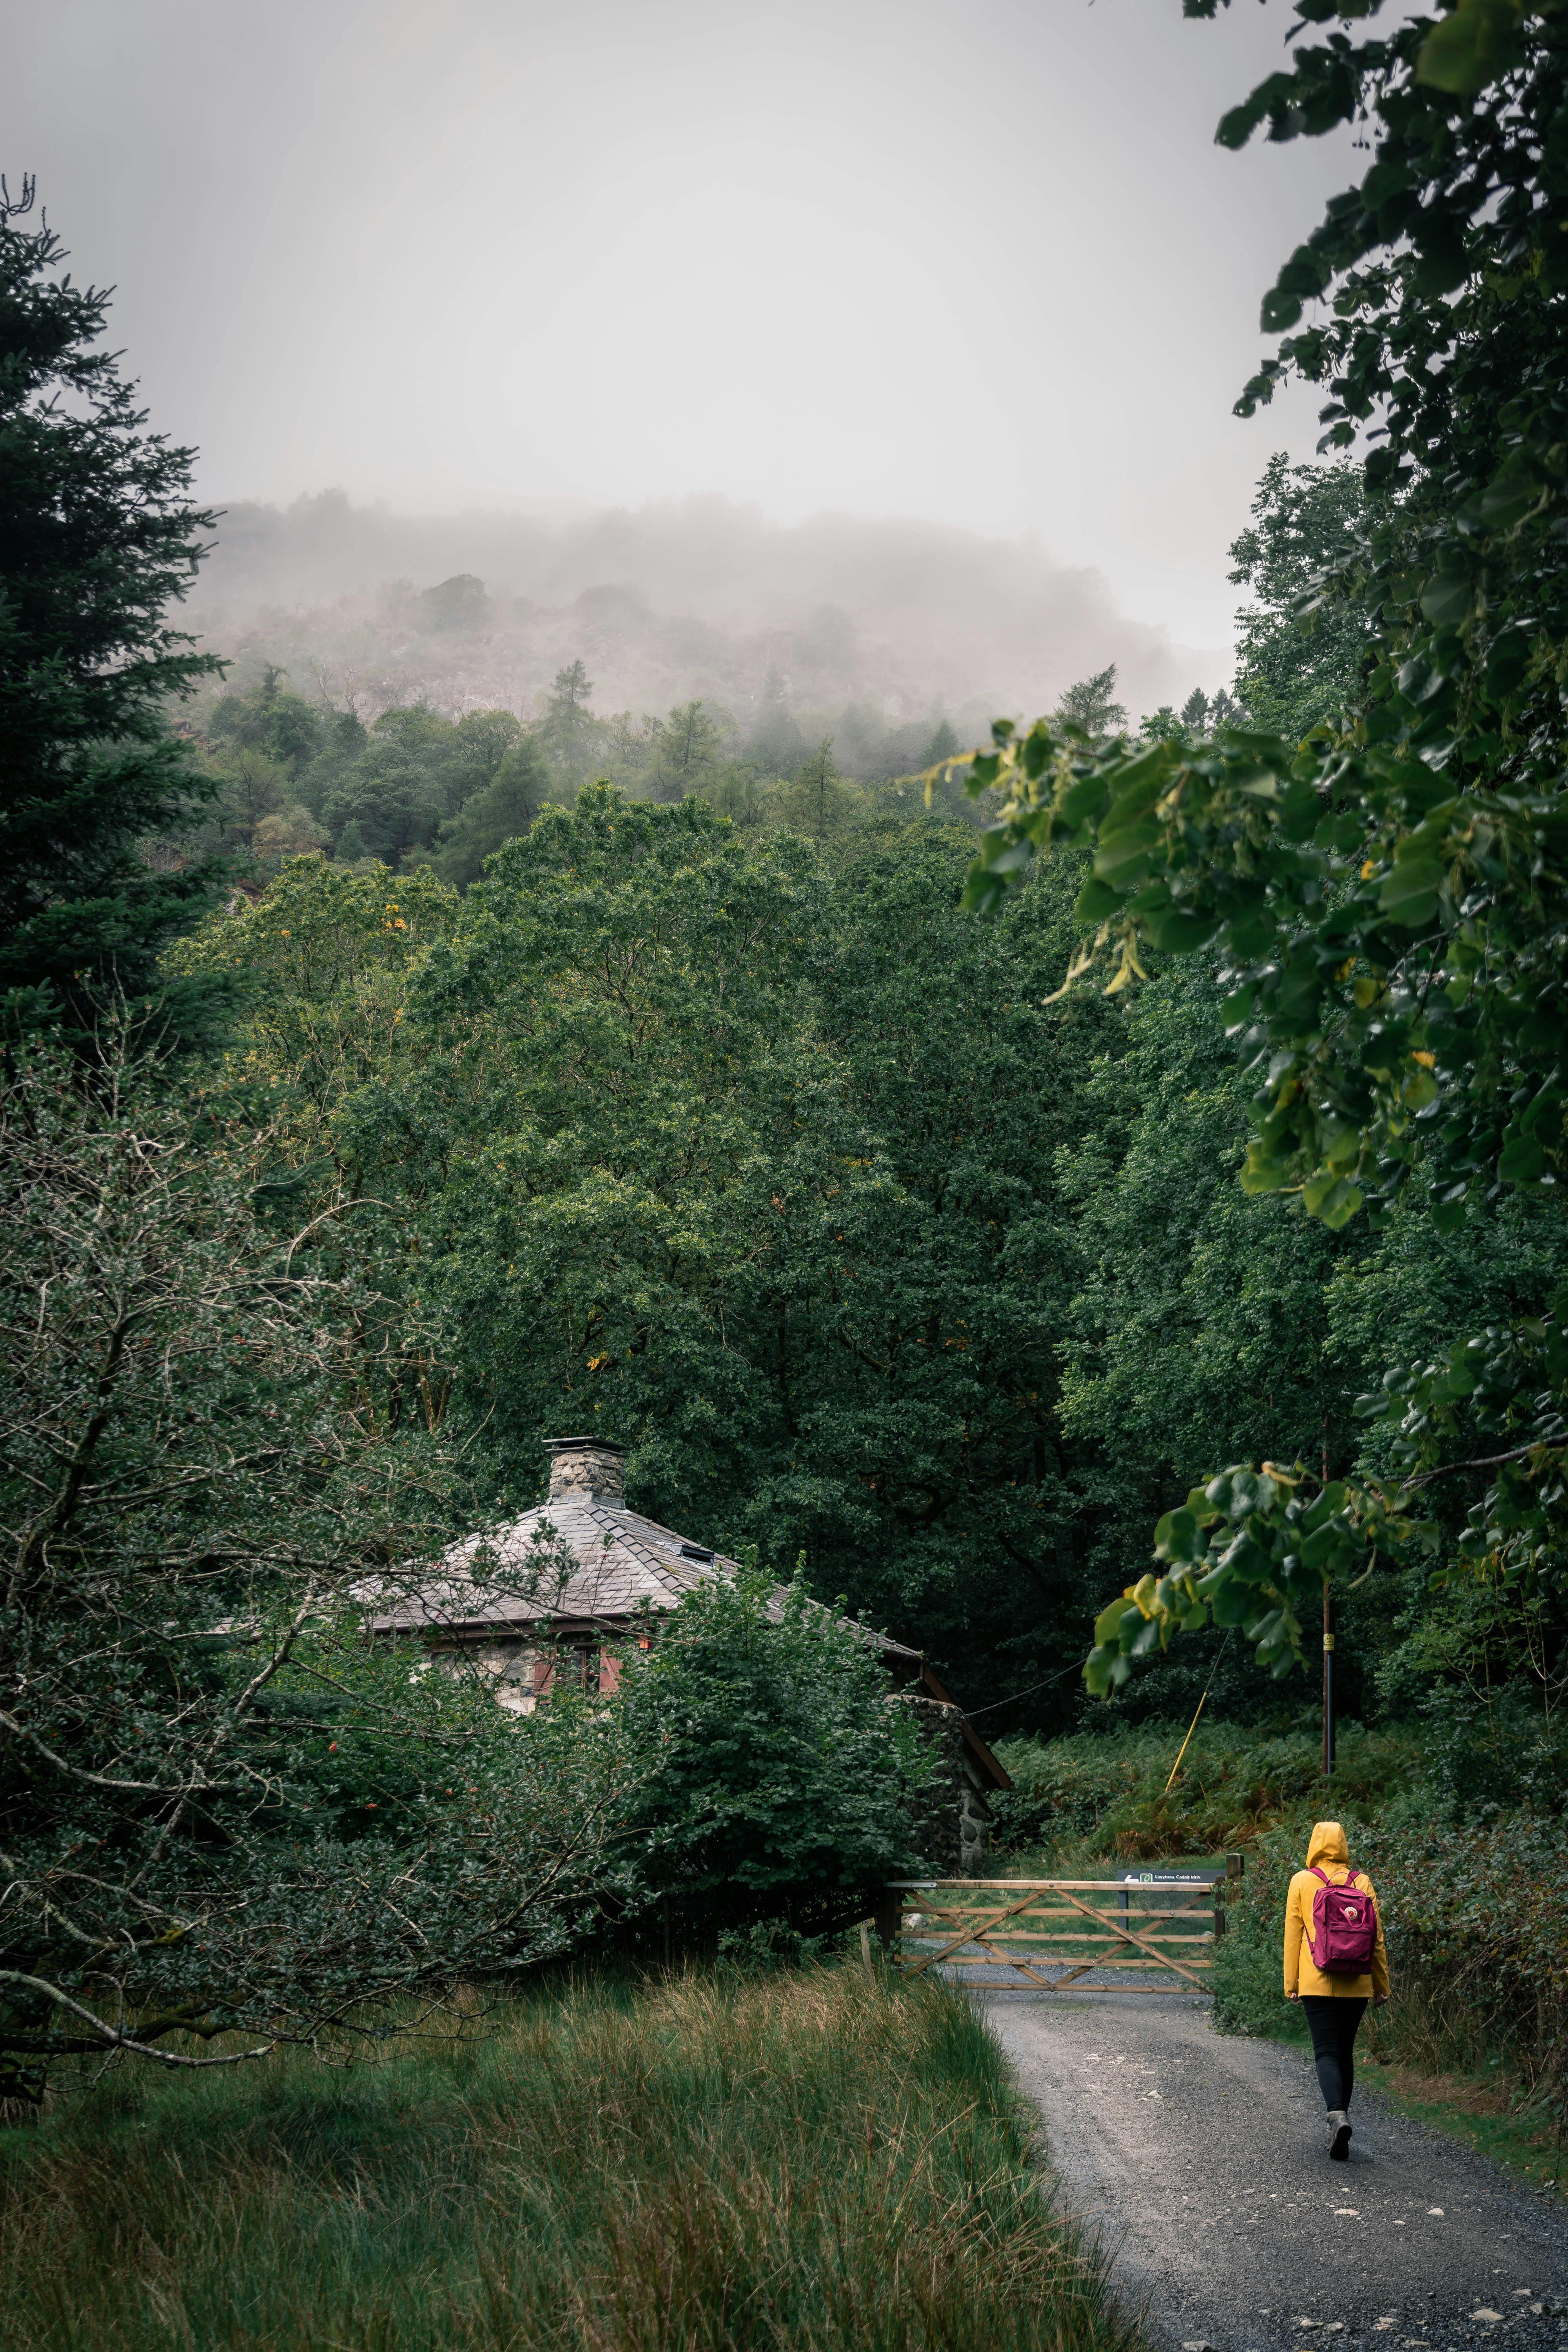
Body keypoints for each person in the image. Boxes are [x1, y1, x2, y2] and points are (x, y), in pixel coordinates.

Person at [1283, 1819, 1390, 2160]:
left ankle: (1336, 2116)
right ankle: (1341, 2119)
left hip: (1316, 1980)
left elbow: (1292, 1936)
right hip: (1357, 1982)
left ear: (1315, 1845)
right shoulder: (1363, 1881)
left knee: (1326, 2051)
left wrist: (1291, 1984)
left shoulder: (1301, 1881)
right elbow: (1376, 1939)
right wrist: (1381, 1985)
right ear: (1344, 1845)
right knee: (1345, 2051)